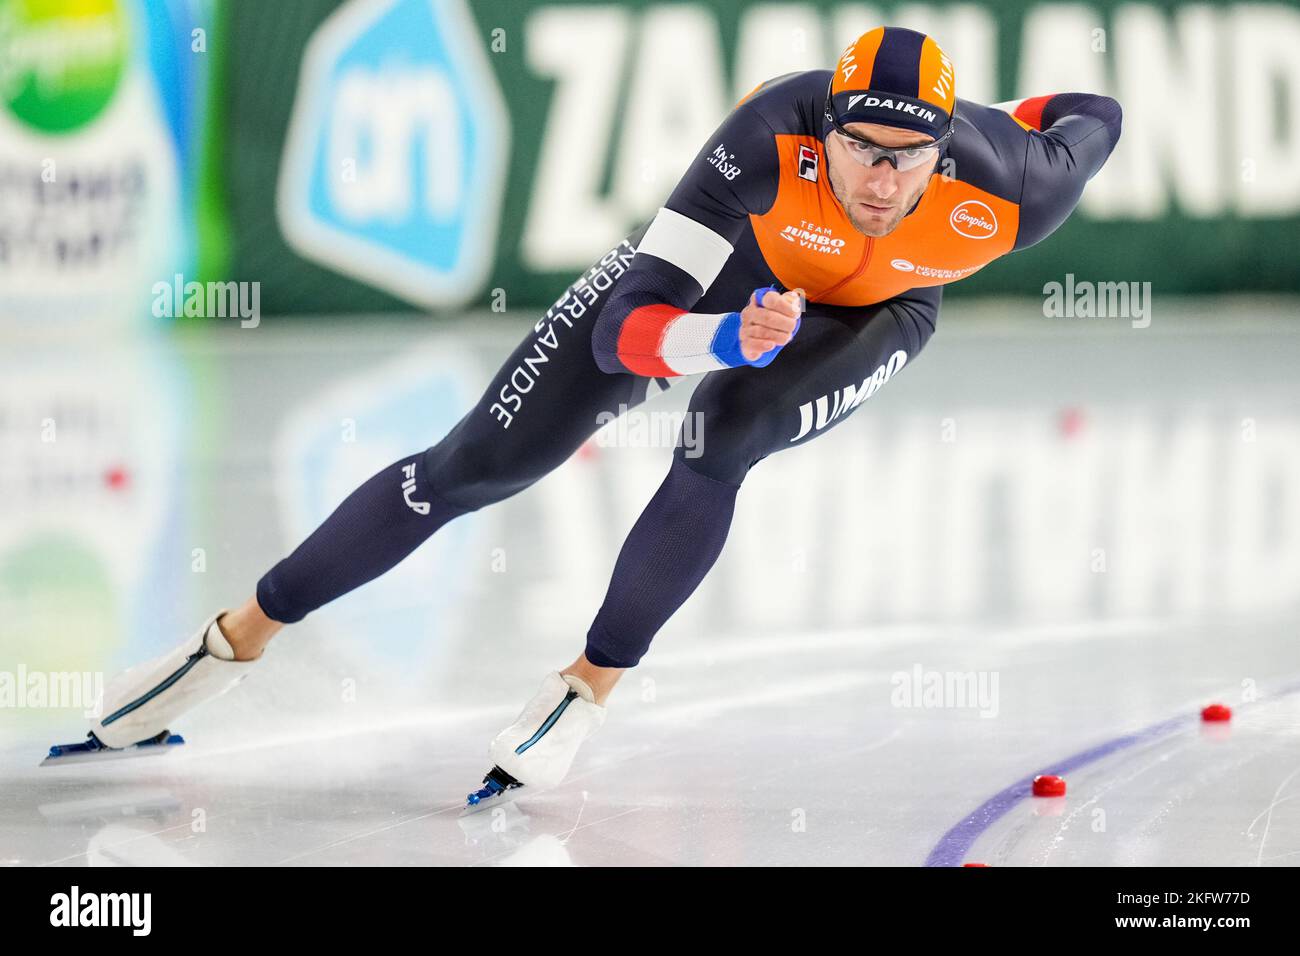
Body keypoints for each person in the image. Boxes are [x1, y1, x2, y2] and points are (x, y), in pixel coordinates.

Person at [81, 26, 1122, 805]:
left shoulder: (1015, 186)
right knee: (470, 465)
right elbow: (623, 328)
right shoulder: (760, 140)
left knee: (730, 426)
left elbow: (1096, 113)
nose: (882, 181)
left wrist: (1010, 114)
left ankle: (588, 682)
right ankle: (228, 645)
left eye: (910, 155)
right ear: (825, 129)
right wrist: (721, 333)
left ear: (948, 150)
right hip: (725, 284)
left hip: (878, 311)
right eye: (861, 149)